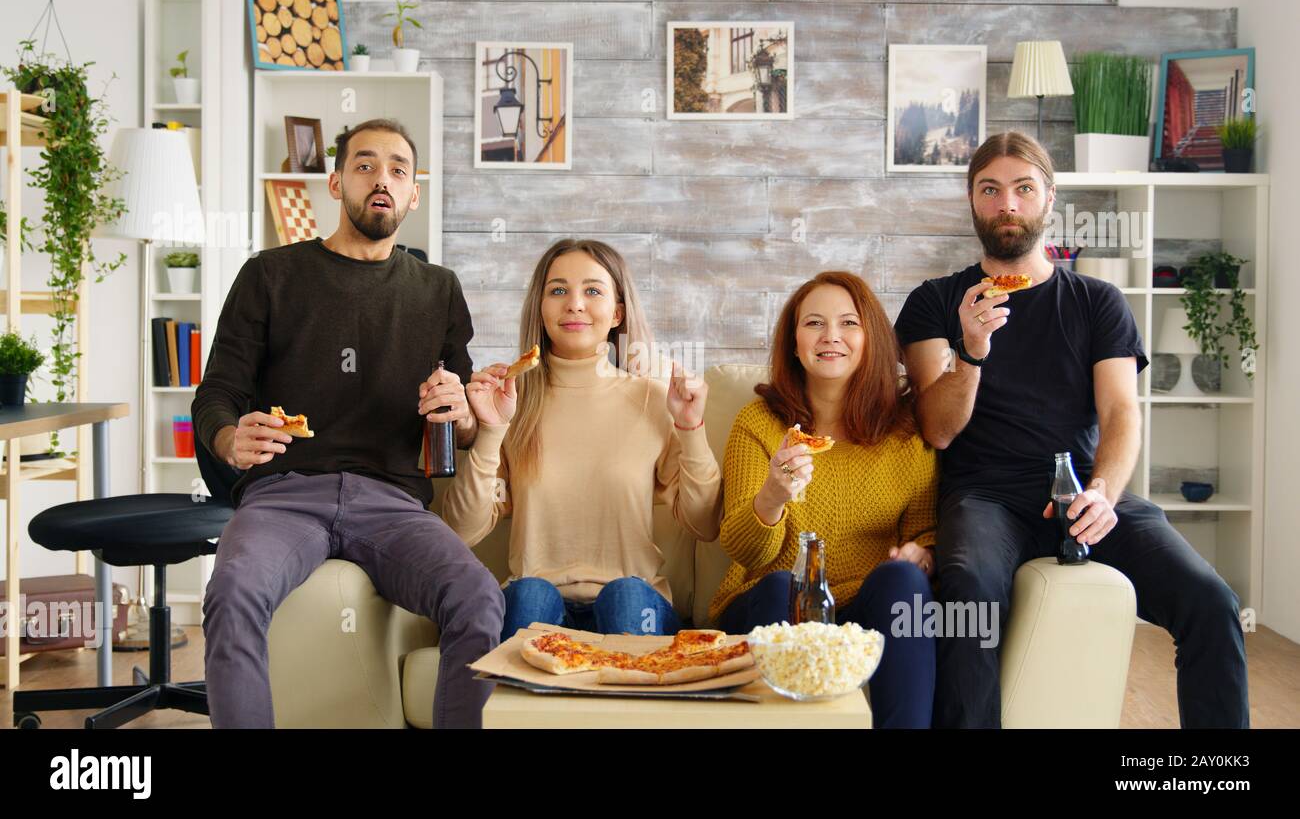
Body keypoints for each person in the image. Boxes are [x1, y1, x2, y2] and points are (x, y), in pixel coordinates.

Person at [893, 131, 1249, 728]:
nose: (1007, 204)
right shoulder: (936, 302)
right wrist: (971, 352)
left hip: (1082, 489)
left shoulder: (1097, 301)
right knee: (968, 598)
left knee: (1212, 601)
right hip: (983, 497)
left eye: (1023, 188)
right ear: (972, 200)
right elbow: (938, 431)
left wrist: (1105, 492)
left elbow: (1121, 413)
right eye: (990, 190)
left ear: (1050, 197)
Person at [193, 118, 504, 729]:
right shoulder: (269, 274)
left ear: (413, 194)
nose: (381, 180)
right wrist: (230, 439)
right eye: (365, 166)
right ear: (336, 184)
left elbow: (464, 426)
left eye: (397, 170)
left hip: (394, 503)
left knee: (478, 597)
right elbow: (217, 393)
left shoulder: (439, 290)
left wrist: (464, 411)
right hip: (283, 495)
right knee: (232, 593)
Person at [441, 239, 722, 641]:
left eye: (592, 290)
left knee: (625, 596)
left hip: (634, 607)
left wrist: (691, 430)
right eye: (558, 291)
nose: (574, 304)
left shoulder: (653, 399)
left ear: (617, 312)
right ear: (541, 308)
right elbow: (460, 532)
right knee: (528, 594)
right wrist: (491, 431)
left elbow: (705, 524)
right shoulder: (513, 400)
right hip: (539, 603)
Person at [710, 271, 939, 728]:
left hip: (862, 605)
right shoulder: (758, 423)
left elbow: (925, 533)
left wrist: (923, 555)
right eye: (814, 323)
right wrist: (773, 495)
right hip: (769, 600)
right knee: (781, 585)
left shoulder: (907, 432)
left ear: (871, 340)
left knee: (904, 582)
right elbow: (744, 551)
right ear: (794, 345)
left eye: (848, 323)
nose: (831, 336)